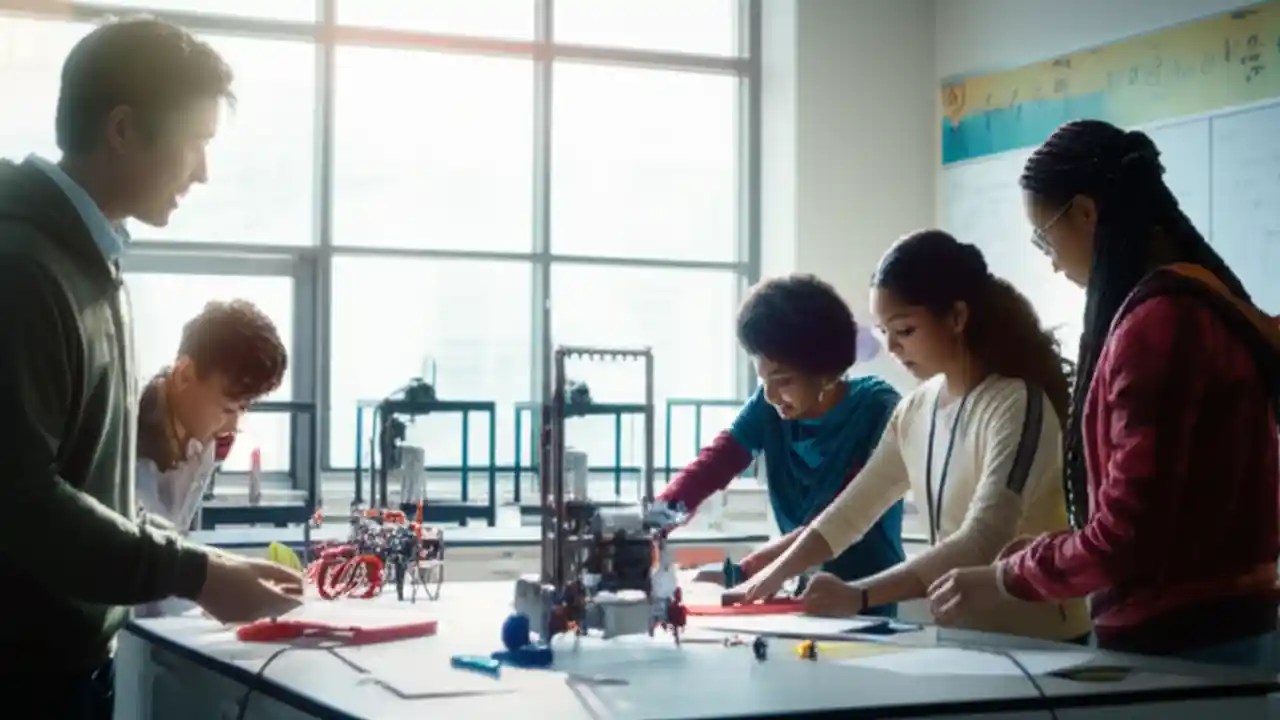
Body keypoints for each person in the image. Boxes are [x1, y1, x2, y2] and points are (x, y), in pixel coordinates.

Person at [0, 18, 302, 717]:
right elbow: (19, 500)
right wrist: (196, 572)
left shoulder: (92, 266)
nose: (203, 172)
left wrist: (205, 564)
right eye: (196, 143)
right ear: (125, 129)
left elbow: (86, 489)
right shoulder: (25, 271)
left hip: (65, 664)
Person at [928, 120, 1280, 661]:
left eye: (1045, 235)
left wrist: (1005, 577)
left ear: (1087, 213)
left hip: (1182, 645)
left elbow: (1126, 536)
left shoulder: (1158, 324)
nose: (1049, 257)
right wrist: (1045, 554)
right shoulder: (1200, 299)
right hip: (1222, 632)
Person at [728, 231, 1091, 643]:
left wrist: (858, 595)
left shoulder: (1016, 403)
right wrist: (765, 580)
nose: (894, 347)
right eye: (884, 332)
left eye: (904, 329)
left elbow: (982, 539)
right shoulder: (916, 409)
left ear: (956, 317)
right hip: (961, 640)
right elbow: (849, 513)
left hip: (1044, 646)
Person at [658, 273, 907, 616]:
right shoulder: (769, 404)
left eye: (784, 380)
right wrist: (655, 523)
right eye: (764, 380)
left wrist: (747, 570)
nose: (772, 395)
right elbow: (713, 465)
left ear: (827, 371)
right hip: (796, 591)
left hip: (862, 601)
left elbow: (842, 518)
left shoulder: (878, 409)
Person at [136, 299, 288, 534]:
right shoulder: (126, 439)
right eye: (227, 409)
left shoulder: (203, 441)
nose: (233, 426)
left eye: (243, 408)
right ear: (185, 375)